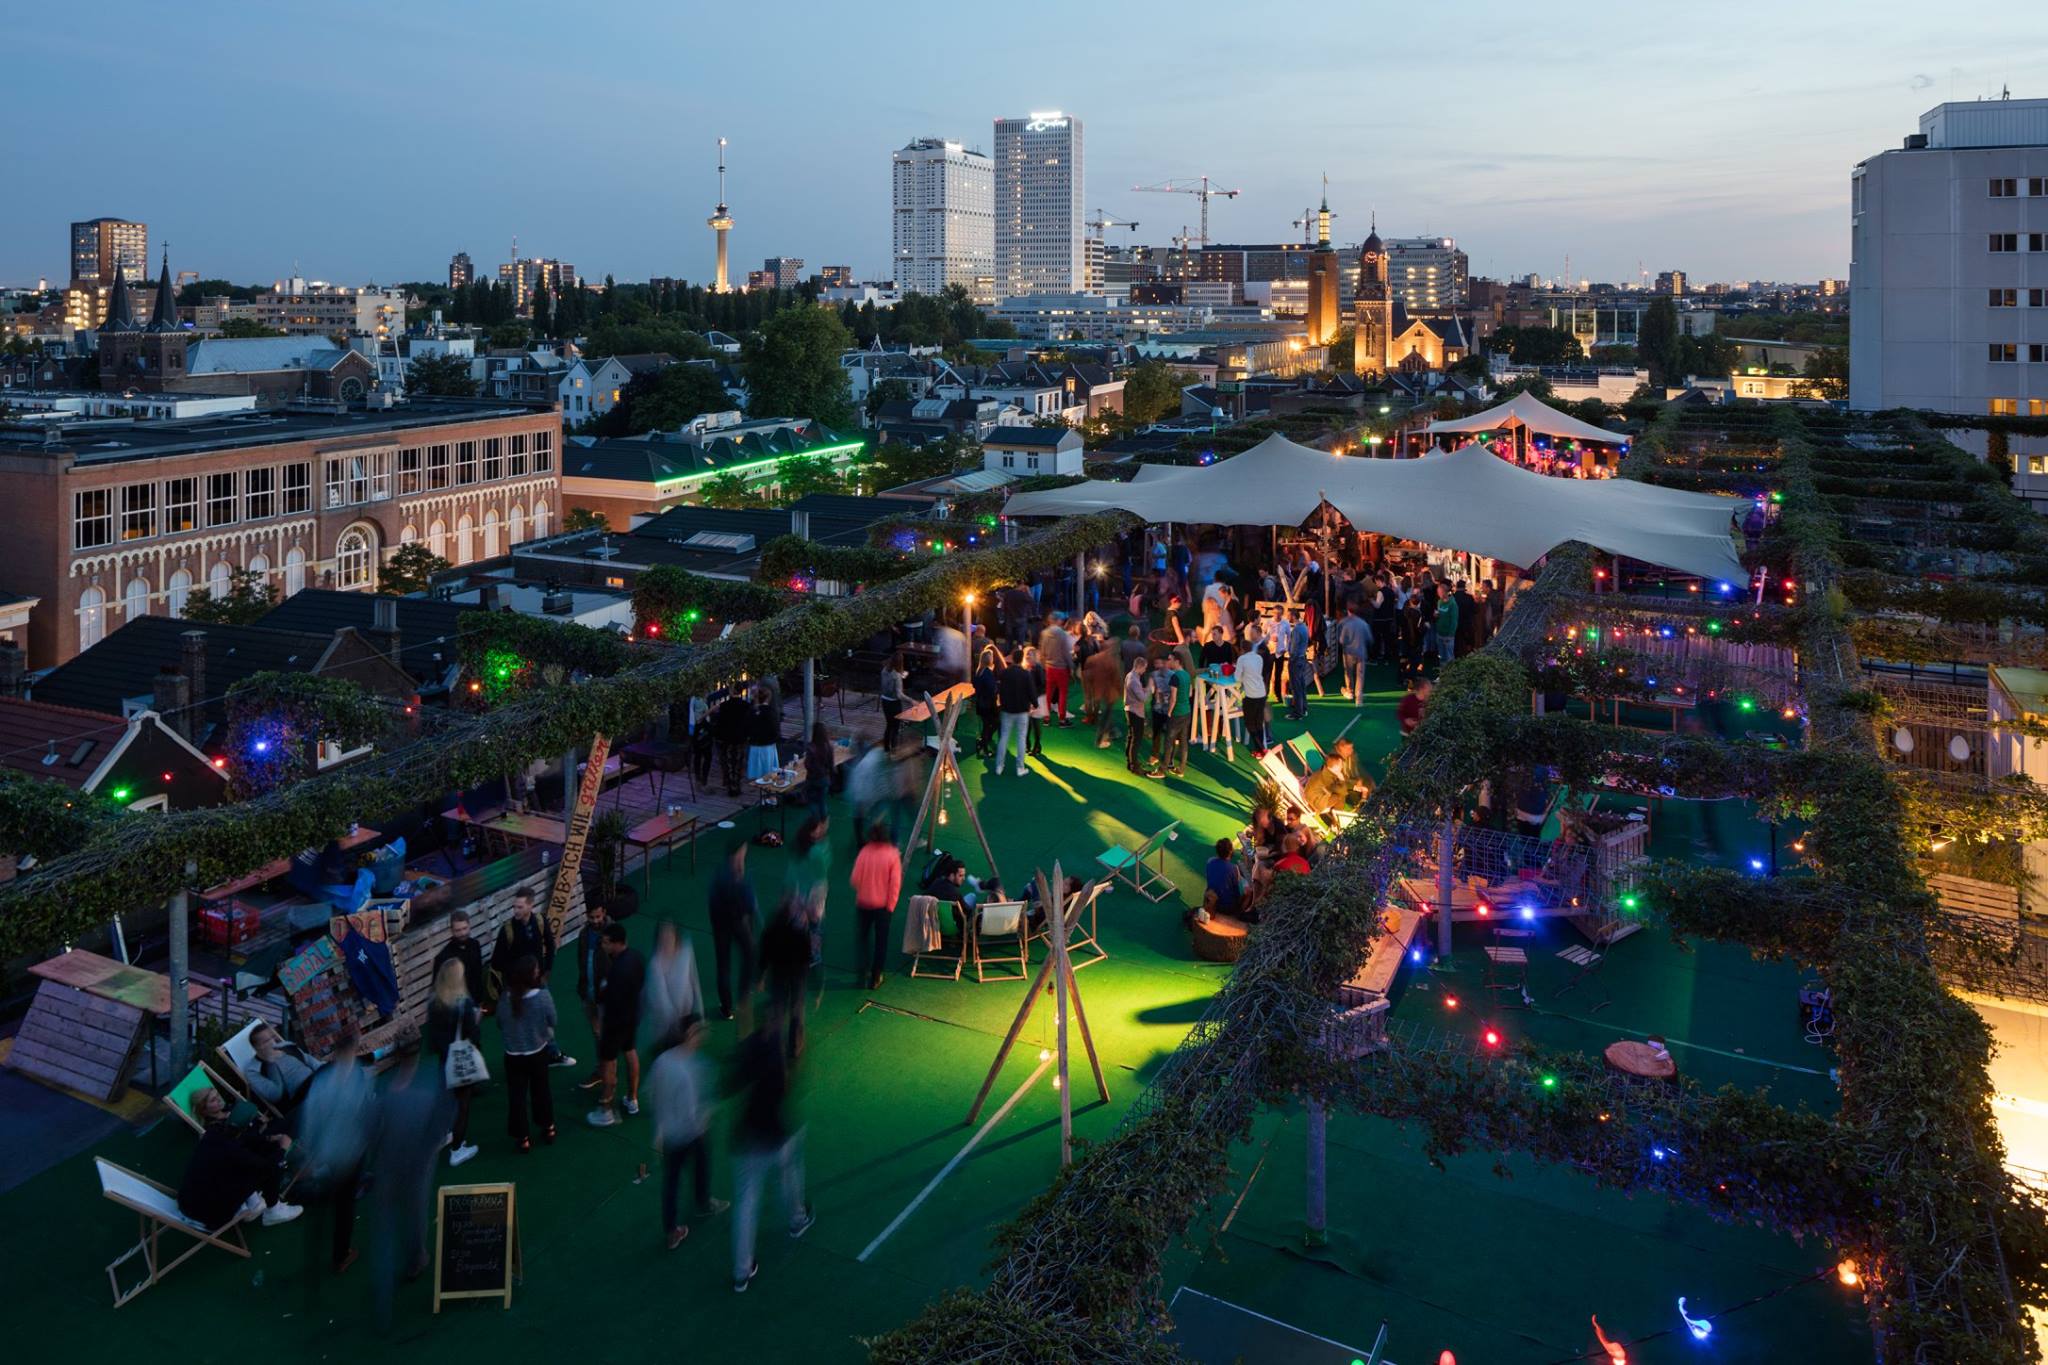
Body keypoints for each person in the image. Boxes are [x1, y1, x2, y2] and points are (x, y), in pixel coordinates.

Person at [366, 1033, 452, 1329]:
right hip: (416, 1162)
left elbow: (372, 1129)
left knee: (386, 1226)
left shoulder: (383, 1087)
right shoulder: (431, 1079)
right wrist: (430, 1148)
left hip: (388, 1164)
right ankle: (416, 1260)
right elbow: (442, 1120)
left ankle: (383, 1292)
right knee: (415, 1214)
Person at [728, 1021, 814, 1294]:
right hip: (776, 1139)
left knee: (746, 1205)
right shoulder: (777, 1072)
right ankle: (797, 1219)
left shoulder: (750, 1065)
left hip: (747, 1140)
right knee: (788, 1177)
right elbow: (790, 1084)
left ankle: (742, 1270)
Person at [295, 1026, 378, 1274]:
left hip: (328, 1151)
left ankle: (323, 1249)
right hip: (350, 1152)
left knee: (336, 1198)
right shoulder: (360, 1079)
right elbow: (366, 1115)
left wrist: (309, 1154)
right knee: (345, 1206)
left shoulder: (323, 1078)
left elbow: (310, 1118)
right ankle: (340, 1255)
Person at [651, 1016, 727, 1249]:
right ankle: (703, 1202)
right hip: (691, 1132)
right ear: (688, 1035)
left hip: (671, 1135)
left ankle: (672, 1229)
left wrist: (659, 1130)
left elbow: (654, 1095)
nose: (701, 1035)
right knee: (699, 1167)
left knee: (672, 1182)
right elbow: (693, 1107)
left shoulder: (664, 1061)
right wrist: (703, 1120)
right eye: (697, 1031)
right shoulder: (693, 1067)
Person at [177, 1088, 299, 1229]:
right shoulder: (226, 1141)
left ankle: (261, 1204)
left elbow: (244, 1141)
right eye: (213, 1100)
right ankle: (274, 1211)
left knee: (263, 1151)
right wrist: (283, 1148)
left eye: (218, 1095)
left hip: (189, 1203)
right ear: (204, 1111)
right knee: (270, 1164)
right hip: (209, 1216)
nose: (219, 1100)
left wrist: (269, 1138)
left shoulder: (213, 1134)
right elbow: (266, 1166)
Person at [425, 957, 483, 1167]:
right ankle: (457, 1149)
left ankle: (443, 1136)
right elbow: (473, 1034)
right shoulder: (463, 1003)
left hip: (443, 1058)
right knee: (462, 1105)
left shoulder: (433, 1001)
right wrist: (476, 1021)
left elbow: (432, 1038)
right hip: (460, 1059)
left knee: (446, 1102)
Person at [498, 956, 558, 1152]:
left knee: (517, 1096)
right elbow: (553, 1020)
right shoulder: (542, 997)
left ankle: (522, 1137)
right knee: (541, 1091)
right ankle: (548, 1127)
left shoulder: (506, 999)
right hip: (537, 1051)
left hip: (513, 1054)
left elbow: (500, 1022)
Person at [588, 923, 646, 1127]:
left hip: (614, 1023)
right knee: (631, 1052)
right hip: (631, 1016)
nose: (602, 945)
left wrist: (601, 1022)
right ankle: (632, 1098)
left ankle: (606, 1109)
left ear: (615, 943)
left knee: (608, 1063)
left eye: (605, 942)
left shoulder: (617, 972)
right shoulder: (637, 958)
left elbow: (608, 999)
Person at [849, 823, 902, 990]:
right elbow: (895, 884)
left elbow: (855, 879)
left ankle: (861, 975)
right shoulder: (892, 855)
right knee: (881, 943)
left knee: (863, 940)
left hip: (863, 904)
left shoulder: (865, 852)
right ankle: (875, 977)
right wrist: (891, 905)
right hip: (883, 907)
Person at [709, 844, 759, 1021]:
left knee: (724, 965)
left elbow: (713, 902)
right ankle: (742, 997)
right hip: (738, 922)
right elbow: (751, 904)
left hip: (722, 924)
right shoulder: (740, 876)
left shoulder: (720, 875)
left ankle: (727, 1006)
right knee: (747, 954)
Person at [645, 919, 704, 1042]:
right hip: (668, 1024)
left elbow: (694, 980)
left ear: (675, 935)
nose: (666, 939)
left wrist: (699, 1010)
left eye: (669, 935)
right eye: (663, 936)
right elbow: (660, 998)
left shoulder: (686, 951)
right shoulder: (656, 964)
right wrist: (675, 1022)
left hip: (686, 1015)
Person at [573, 900, 611, 1087]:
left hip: (605, 995)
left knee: (605, 1036)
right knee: (598, 1034)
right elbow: (582, 960)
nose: (595, 920)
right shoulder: (584, 934)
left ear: (603, 912)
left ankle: (607, 1075)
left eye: (598, 916)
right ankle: (602, 1070)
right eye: (591, 917)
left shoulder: (612, 933)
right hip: (589, 992)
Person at [243, 1022, 320, 1112]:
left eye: (273, 1037)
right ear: (257, 1047)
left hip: (318, 1082)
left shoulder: (286, 1046)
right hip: (301, 1099)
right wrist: (271, 1063)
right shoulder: (253, 1070)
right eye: (266, 1041)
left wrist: (329, 1069)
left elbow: (311, 1061)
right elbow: (275, 1095)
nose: (273, 1042)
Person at [431, 911, 493, 1014]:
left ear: (469, 926)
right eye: (458, 930)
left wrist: (480, 1001)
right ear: (451, 931)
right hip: (455, 1008)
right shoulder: (443, 957)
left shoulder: (475, 945)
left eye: (465, 928)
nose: (462, 933)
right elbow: (437, 988)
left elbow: (478, 974)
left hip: (475, 1002)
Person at [993, 647, 1036, 777]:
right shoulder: (1026, 674)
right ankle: (1020, 767)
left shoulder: (1005, 673)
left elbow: (999, 688)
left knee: (1004, 737)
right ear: (1021, 659)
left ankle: (999, 766)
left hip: (1007, 709)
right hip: (1022, 710)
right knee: (1021, 738)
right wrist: (1035, 703)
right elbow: (1031, 691)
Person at [1302, 738, 1371, 819]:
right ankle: (1337, 820)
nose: (1342, 767)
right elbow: (1342, 790)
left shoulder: (1327, 770)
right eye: (1341, 765)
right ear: (1335, 767)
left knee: (1342, 790)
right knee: (1340, 796)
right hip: (1315, 802)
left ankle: (1338, 814)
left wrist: (1355, 787)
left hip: (1315, 795)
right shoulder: (1327, 778)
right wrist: (1342, 779)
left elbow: (1340, 783)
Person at [1081, 630, 1123, 749]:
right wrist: (1122, 692)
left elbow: (1086, 673)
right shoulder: (1112, 662)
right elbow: (1116, 679)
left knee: (1105, 713)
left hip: (1097, 690)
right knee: (1106, 715)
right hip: (1109, 693)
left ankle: (1112, 731)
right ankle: (1100, 739)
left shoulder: (1093, 659)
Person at [1236, 628, 1271, 756]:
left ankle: (1261, 749)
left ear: (1242, 650)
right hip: (1261, 693)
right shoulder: (1258, 658)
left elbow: (1237, 678)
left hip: (1251, 696)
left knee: (1250, 723)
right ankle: (1260, 749)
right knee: (1258, 722)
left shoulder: (1242, 660)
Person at [712, 686, 752, 796]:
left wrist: (717, 735)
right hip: (740, 737)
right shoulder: (746, 706)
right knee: (739, 762)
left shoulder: (724, 706)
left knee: (728, 762)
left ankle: (730, 784)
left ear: (730, 692)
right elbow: (748, 722)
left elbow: (720, 722)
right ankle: (737, 784)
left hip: (727, 738)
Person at [1038, 613, 1074, 726]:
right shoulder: (1062, 634)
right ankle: (1062, 719)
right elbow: (1066, 653)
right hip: (1061, 667)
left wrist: (1044, 665)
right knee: (1062, 694)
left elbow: (1042, 651)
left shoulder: (1044, 633)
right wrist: (1071, 666)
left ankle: (1046, 718)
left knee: (1048, 693)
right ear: (1057, 620)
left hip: (1049, 667)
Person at [1146, 653, 1179, 776]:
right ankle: (1163, 758)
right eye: (1156, 663)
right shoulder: (1173, 675)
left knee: (1165, 735)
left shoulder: (1155, 675)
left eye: (1159, 663)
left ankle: (1161, 758)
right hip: (1162, 709)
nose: (1157, 665)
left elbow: (1150, 691)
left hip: (1164, 709)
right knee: (1161, 734)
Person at [745, 684, 782, 782]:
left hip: (755, 746)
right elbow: (775, 729)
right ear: (768, 698)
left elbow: (747, 727)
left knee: (756, 773)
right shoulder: (771, 712)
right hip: (768, 746)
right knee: (769, 772)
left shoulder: (752, 711)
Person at [1338, 602, 1373, 706]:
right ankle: (1359, 699)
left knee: (1348, 673)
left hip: (1349, 653)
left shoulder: (1346, 624)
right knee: (1360, 675)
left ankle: (1350, 692)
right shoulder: (1363, 623)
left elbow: (1341, 640)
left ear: (1348, 611)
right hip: (1361, 652)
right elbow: (1369, 638)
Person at [971, 645, 1003, 759]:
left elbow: (976, 685)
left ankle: (983, 743)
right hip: (988, 705)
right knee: (994, 724)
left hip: (980, 703)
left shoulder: (979, 671)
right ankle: (984, 745)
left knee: (986, 725)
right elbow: (992, 689)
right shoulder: (988, 673)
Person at [801, 722, 834, 825]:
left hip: (813, 779)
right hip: (825, 778)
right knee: (822, 801)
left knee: (811, 801)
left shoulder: (811, 747)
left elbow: (807, 764)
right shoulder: (829, 746)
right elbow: (831, 764)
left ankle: (816, 822)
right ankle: (823, 821)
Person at [1205, 838, 1247, 917]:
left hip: (1211, 899)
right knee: (1248, 890)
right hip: (1226, 907)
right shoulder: (1234, 868)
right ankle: (1239, 914)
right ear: (1230, 851)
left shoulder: (1210, 861)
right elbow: (1240, 892)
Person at [1022, 645, 1049, 758]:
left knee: (1035, 724)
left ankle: (1036, 745)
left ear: (1034, 656)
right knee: (1027, 724)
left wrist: (1033, 697)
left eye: (1030, 654)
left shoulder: (1038, 668)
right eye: (1027, 654)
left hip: (1038, 699)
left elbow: (1042, 685)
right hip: (1028, 699)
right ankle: (1028, 745)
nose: (1028, 656)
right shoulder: (1024, 668)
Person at [1285, 609, 1312, 720]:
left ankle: (1298, 713)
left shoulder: (1296, 630)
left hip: (1296, 661)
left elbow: (1294, 648)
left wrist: (1291, 658)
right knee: (1301, 685)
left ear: (1293, 617)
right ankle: (1304, 709)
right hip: (1302, 659)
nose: (1287, 618)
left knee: (1296, 687)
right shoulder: (1304, 627)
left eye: (1288, 615)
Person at [879, 652, 907, 752]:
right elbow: (899, 694)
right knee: (895, 727)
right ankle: (894, 748)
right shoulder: (897, 676)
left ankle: (886, 747)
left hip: (884, 700)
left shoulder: (884, 670)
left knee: (889, 725)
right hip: (894, 703)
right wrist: (912, 700)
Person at [1434, 583, 1460, 666]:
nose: (1439, 594)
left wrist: (1451, 635)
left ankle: (1450, 676)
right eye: (1438, 592)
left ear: (1445, 592)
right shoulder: (1439, 602)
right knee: (1441, 657)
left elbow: (1454, 621)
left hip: (1448, 635)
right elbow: (1438, 616)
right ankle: (1442, 673)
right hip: (1439, 633)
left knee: (1449, 657)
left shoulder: (1452, 604)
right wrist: (1436, 616)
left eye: (1440, 592)